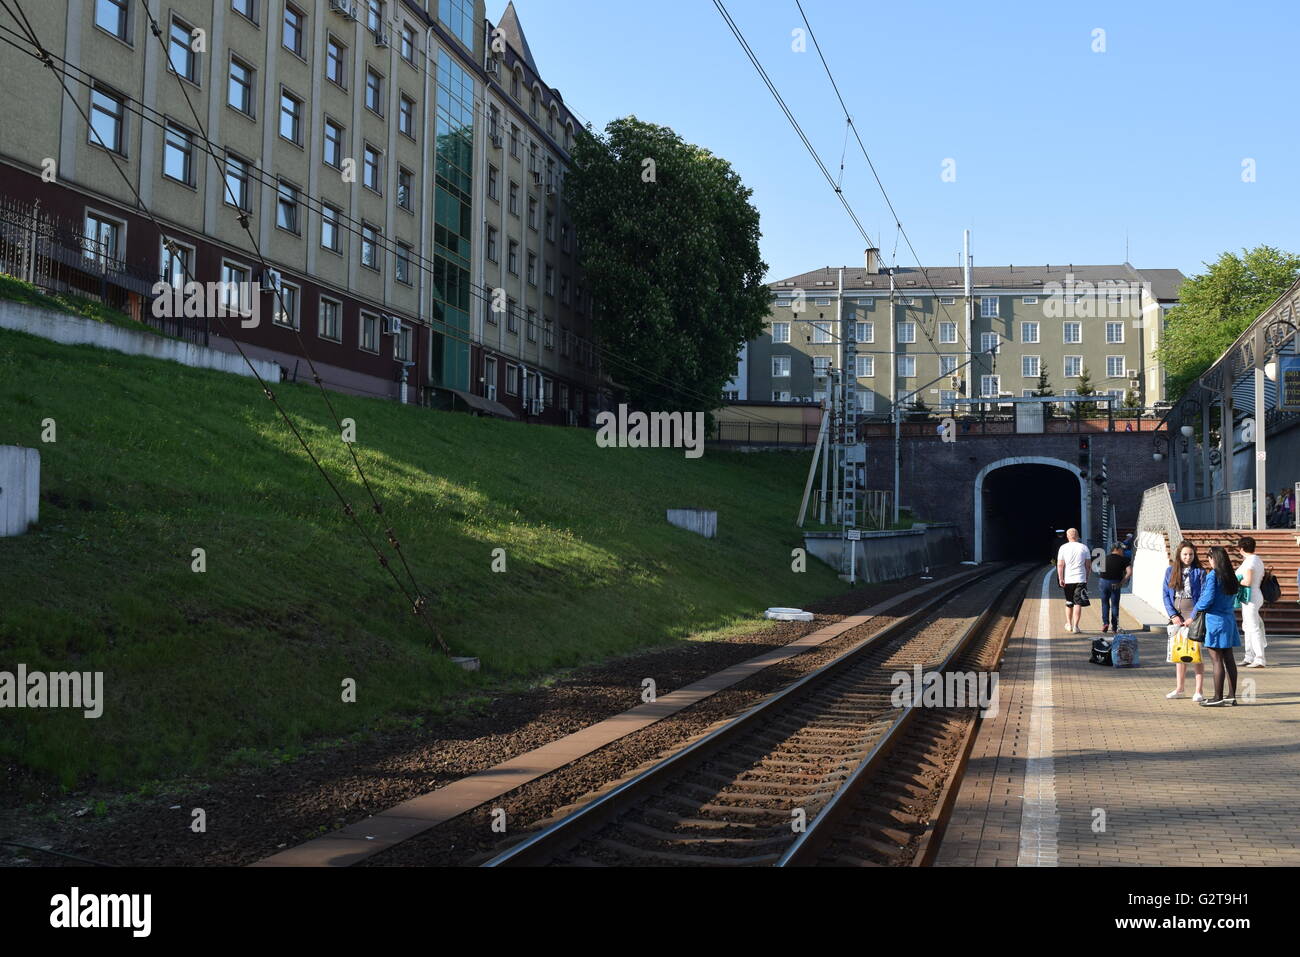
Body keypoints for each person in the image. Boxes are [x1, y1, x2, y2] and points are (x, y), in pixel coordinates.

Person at [1189, 545, 1243, 707]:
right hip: (1228, 619)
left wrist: (1195, 610)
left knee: (1216, 660)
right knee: (1229, 659)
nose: (1209, 562)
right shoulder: (1230, 575)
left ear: (1214, 558)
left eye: (1209, 559)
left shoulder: (1213, 575)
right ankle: (1231, 696)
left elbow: (1207, 599)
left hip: (1215, 620)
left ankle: (1217, 697)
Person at [1162, 540, 1207, 702]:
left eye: (1191, 554)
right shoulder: (1170, 571)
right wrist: (1173, 615)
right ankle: (1179, 688)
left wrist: (1192, 617)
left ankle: (1198, 690)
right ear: (1179, 555)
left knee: (1195, 652)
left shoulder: (1200, 572)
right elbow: (1166, 594)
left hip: (1192, 614)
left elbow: (1203, 596)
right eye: (1185, 554)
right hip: (1176, 614)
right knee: (1179, 652)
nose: (1188, 557)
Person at [1236, 536, 1268, 668]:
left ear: (1241, 549)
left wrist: (1236, 581)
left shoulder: (1249, 562)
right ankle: (1249, 656)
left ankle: (1259, 658)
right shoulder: (1256, 560)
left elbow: (1247, 581)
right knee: (1248, 626)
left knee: (1253, 628)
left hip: (1251, 597)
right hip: (1254, 595)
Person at [1056, 528, 1091, 634]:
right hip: (1080, 579)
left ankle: (1069, 624)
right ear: (1078, 536)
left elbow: (1060, 565)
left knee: (1069, 602)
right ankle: (1076, 626)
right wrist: (1087, 578)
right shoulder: (1084, 548)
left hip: (1068, 579)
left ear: (1067, 536)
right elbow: (1088, 565)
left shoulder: (1063, 548)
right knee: (1078, 603)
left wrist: (1061, 578)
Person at [1098, 543, 1131, 633]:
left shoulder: (1104, 558)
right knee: (1115, 605)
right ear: (1117, 549)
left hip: (1103, 582)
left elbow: (1100, 571)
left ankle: (1105, 623)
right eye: (1122, 549)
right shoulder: (1124, 560)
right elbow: (1129, 572)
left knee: (1105, 604)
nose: (1123, 551)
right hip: (1115, 583)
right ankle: (1114, 627)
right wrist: (1122, 582)